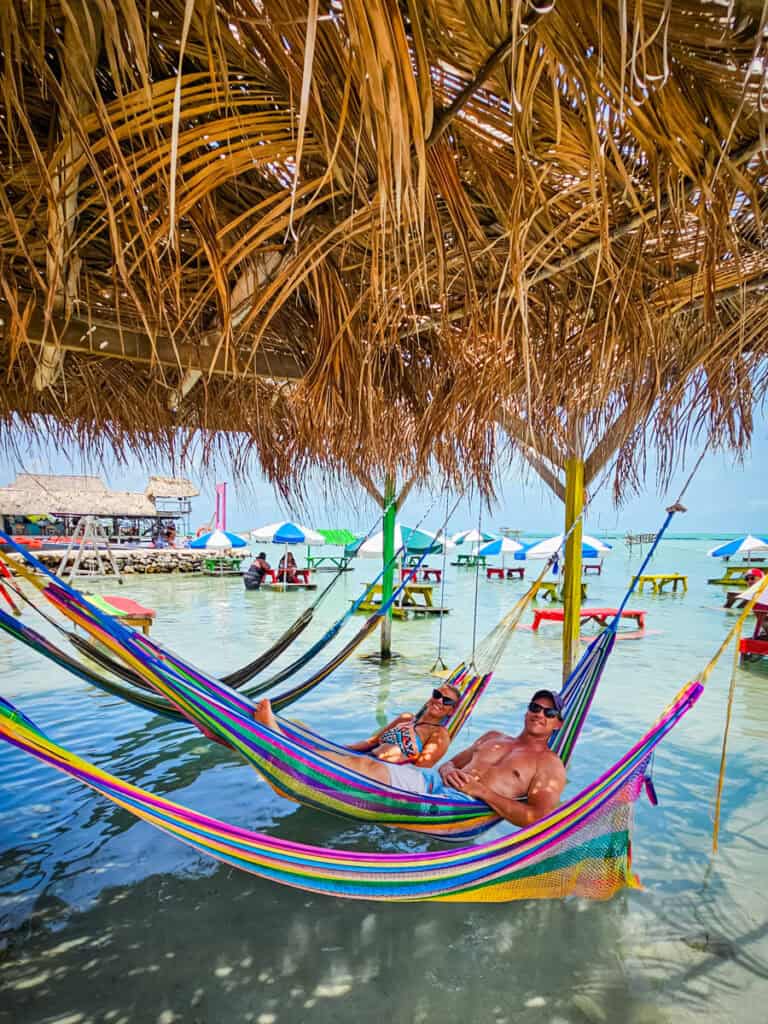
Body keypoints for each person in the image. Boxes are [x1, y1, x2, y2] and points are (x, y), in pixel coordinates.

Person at [254, 688, 567, 827]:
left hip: (458, 807)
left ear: (558, 723)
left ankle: (277, 744)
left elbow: (535, 819)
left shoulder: (549, 765)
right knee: (366, 765)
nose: (539, 714)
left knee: (367, 772)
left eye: (548, 711)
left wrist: (482, 792)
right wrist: (445, 770)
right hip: (434, 783)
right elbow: (450, 762)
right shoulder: (494, 737)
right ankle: (282, 745)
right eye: (535, 707)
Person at [343, 683, 461, 767]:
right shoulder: (406, 718)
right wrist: (344, 749)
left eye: (447, 701)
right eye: (437, 694)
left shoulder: (439, 734)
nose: (439, 700)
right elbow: (373, 742)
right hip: (367, 759)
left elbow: (419, 770)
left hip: (382, 773)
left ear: (451, 711)